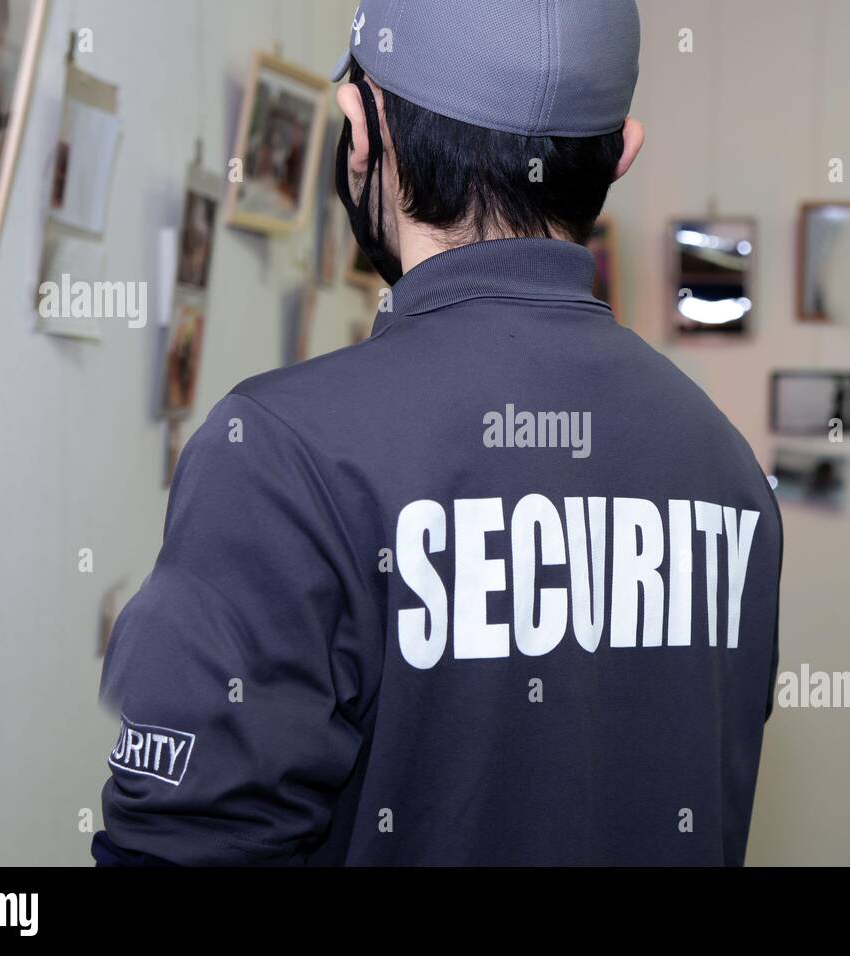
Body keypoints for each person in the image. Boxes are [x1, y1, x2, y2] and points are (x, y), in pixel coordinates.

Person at [94, 0, 782, 867]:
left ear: (362, 126)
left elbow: (182, 848)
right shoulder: (727, 468)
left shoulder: (279, 453)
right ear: (621, 153)